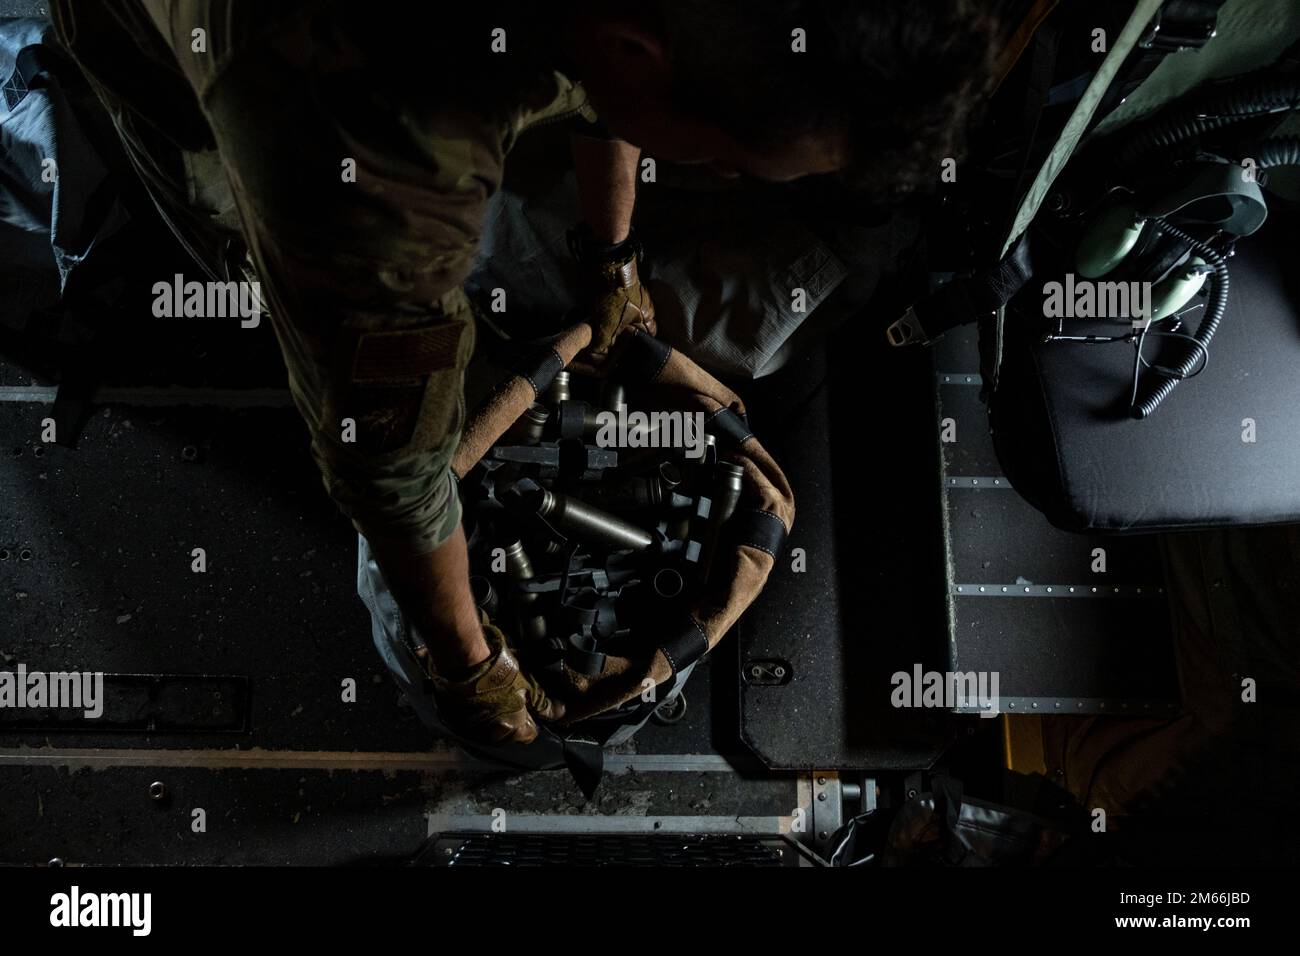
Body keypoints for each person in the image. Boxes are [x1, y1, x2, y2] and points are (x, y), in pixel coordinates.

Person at [50, 0, 1001, 746]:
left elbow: (612, 78)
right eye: (726, 159)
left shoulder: (637, 34)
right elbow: (389, 466)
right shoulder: (369, 136)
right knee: (248, 241)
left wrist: (612, 261)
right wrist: (471, 667)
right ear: (637, 48)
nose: (727, 179)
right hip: (235, 64)